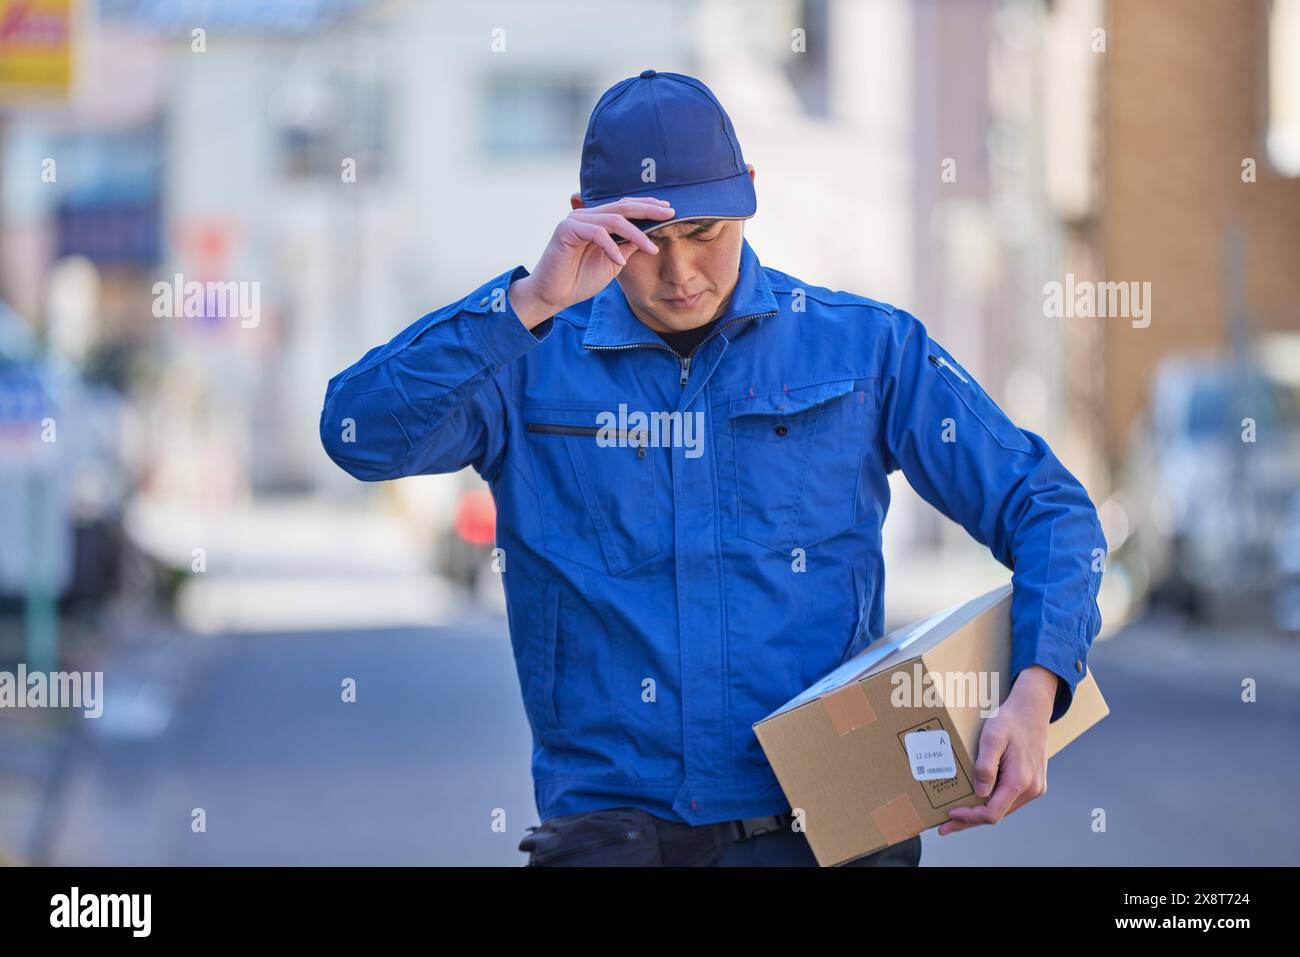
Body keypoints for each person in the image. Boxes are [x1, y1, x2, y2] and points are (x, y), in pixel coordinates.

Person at [319, 69, 1106, 867]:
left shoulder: (865, 350)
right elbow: (357, 433)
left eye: (706, 233)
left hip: (833, 834)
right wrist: (527, 303)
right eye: (644, 240)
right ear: (586, 225)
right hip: (614, 841)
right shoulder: (527, 363)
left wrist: (1037, 686)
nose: (680, 273)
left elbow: (1048, 507)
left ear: (749, 197)